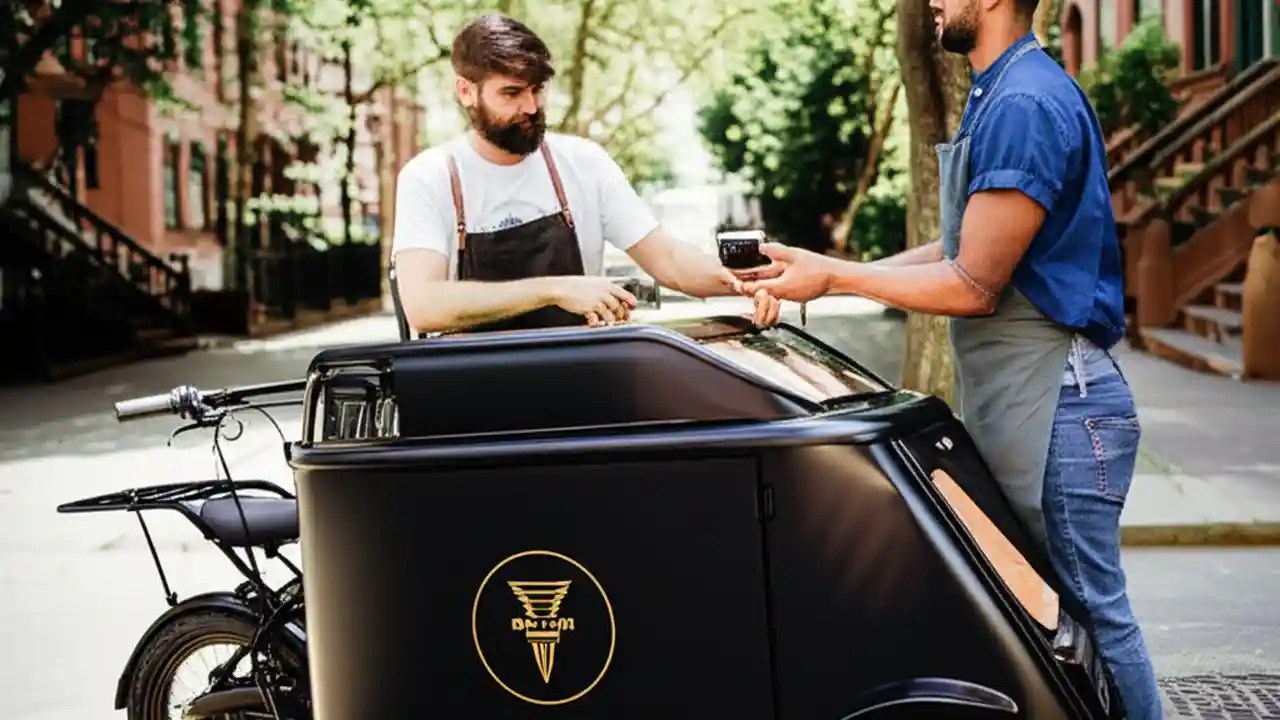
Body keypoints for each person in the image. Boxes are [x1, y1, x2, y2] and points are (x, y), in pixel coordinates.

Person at [736, 0, 1163, 717]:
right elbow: (956, 250)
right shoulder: (998, 90)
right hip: (1033, 399)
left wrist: (836, 276)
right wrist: (824, 272)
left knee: (1097, 615)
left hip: (1060, 403)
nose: (932, 1)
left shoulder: (1025, 102)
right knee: (1063, 617)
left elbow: (973, 284)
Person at [391, 13, 779, 334]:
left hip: (581, 375)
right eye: (511, 93)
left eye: (538, 89)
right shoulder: (430, 178)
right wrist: (555, 290)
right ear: (465, 91)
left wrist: (744, 284)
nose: (530, 107)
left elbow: (671, 259)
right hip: (476, 391)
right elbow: (425, 307)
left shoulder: (583, 163)